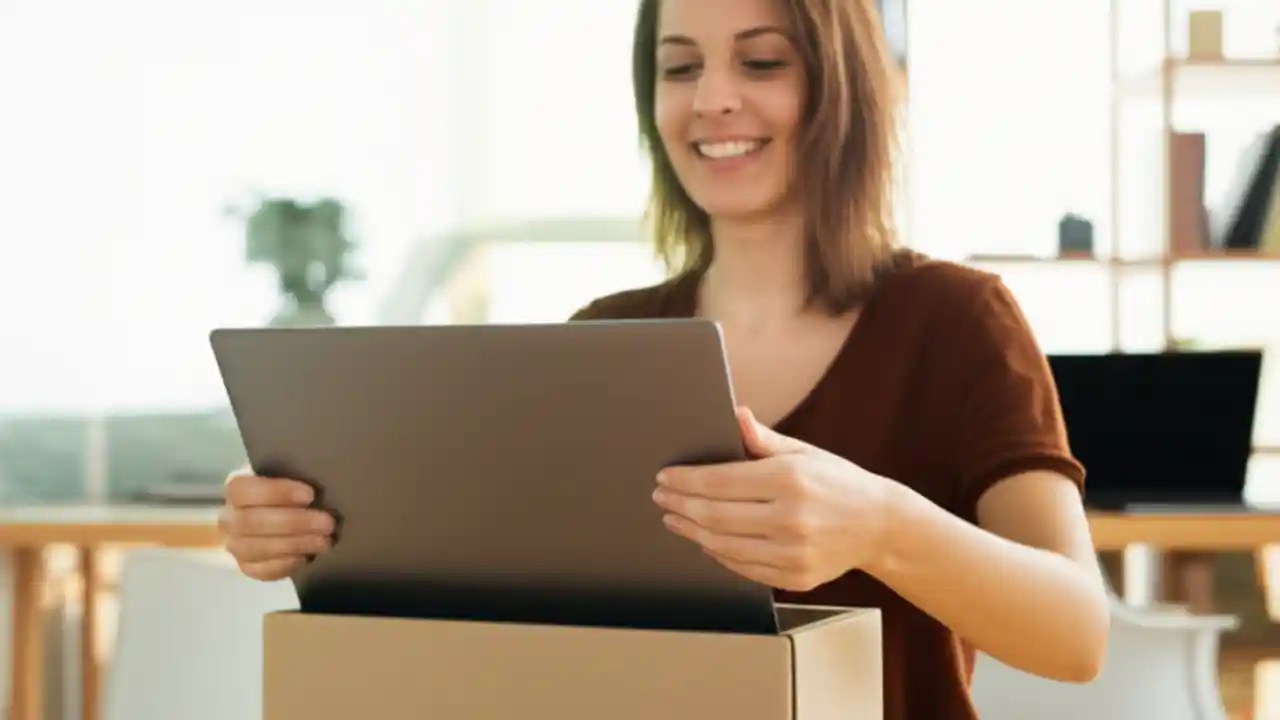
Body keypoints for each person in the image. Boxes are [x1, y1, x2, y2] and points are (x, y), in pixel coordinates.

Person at [218, 0, 1110, 717]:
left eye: (762, 61)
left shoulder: (956, 320)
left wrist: (878, 524)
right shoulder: (602, 338)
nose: (712, 98)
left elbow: (1076, 635)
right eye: (680, 66)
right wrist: (312, 525)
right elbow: (519, 609)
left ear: (845, 86)